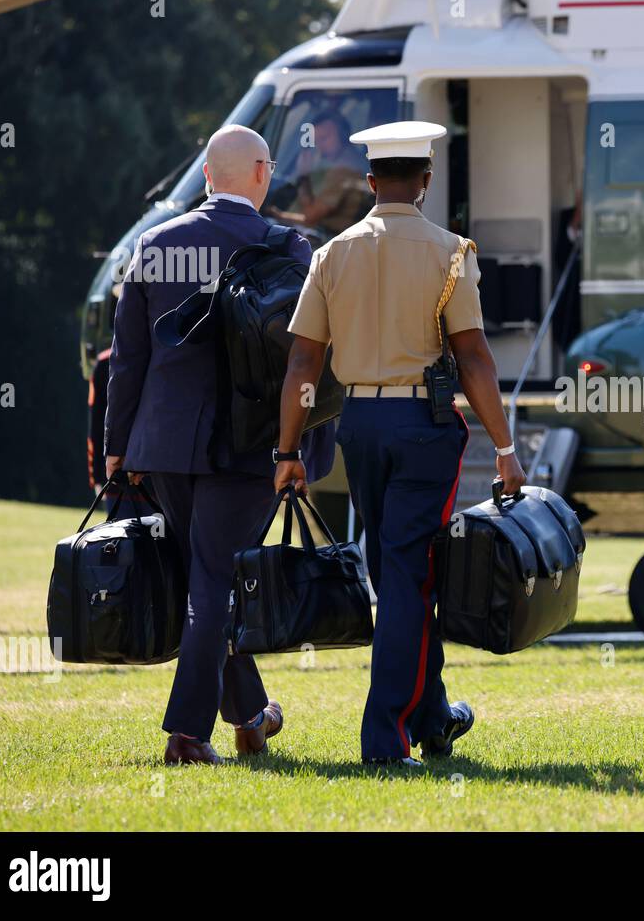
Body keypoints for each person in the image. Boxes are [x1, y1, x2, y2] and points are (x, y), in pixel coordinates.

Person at [276, 120, 526, 768]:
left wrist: (286, 454)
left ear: (368, 182)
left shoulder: (331, 254)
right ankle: (385, 738)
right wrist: (505, 447)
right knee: (409, 578)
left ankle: (434, 718)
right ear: (425, 180)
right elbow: (473, 357)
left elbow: (302, 368)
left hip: (358, 426)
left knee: (400, 573)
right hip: (423, 428)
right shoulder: (450, 251)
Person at [105, 124, 336, 765]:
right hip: (249, 447)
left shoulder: (153, 244)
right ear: (262, 174)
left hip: (166, 447)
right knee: (213, 582)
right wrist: (305, 451)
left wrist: (117, 445)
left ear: (207, 176)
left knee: (210, 579)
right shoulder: (289, 247)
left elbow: (128, 360)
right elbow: (313, 362)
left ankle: (251, 719)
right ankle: (187, 734)